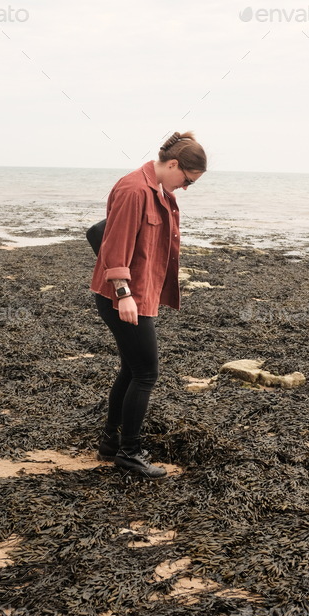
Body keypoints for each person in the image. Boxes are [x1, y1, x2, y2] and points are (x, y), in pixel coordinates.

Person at [90, 131, 207, 479]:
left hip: (136, 295)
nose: (185, 187)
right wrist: (123, 292)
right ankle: (130, 452)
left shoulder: (155, 190)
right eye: (186, 180)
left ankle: (111, 442)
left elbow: (98, 231)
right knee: (146, 373)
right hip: (123, 298)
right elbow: (114, 243)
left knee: (131, 368)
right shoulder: (134, 189)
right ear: (172, 164)